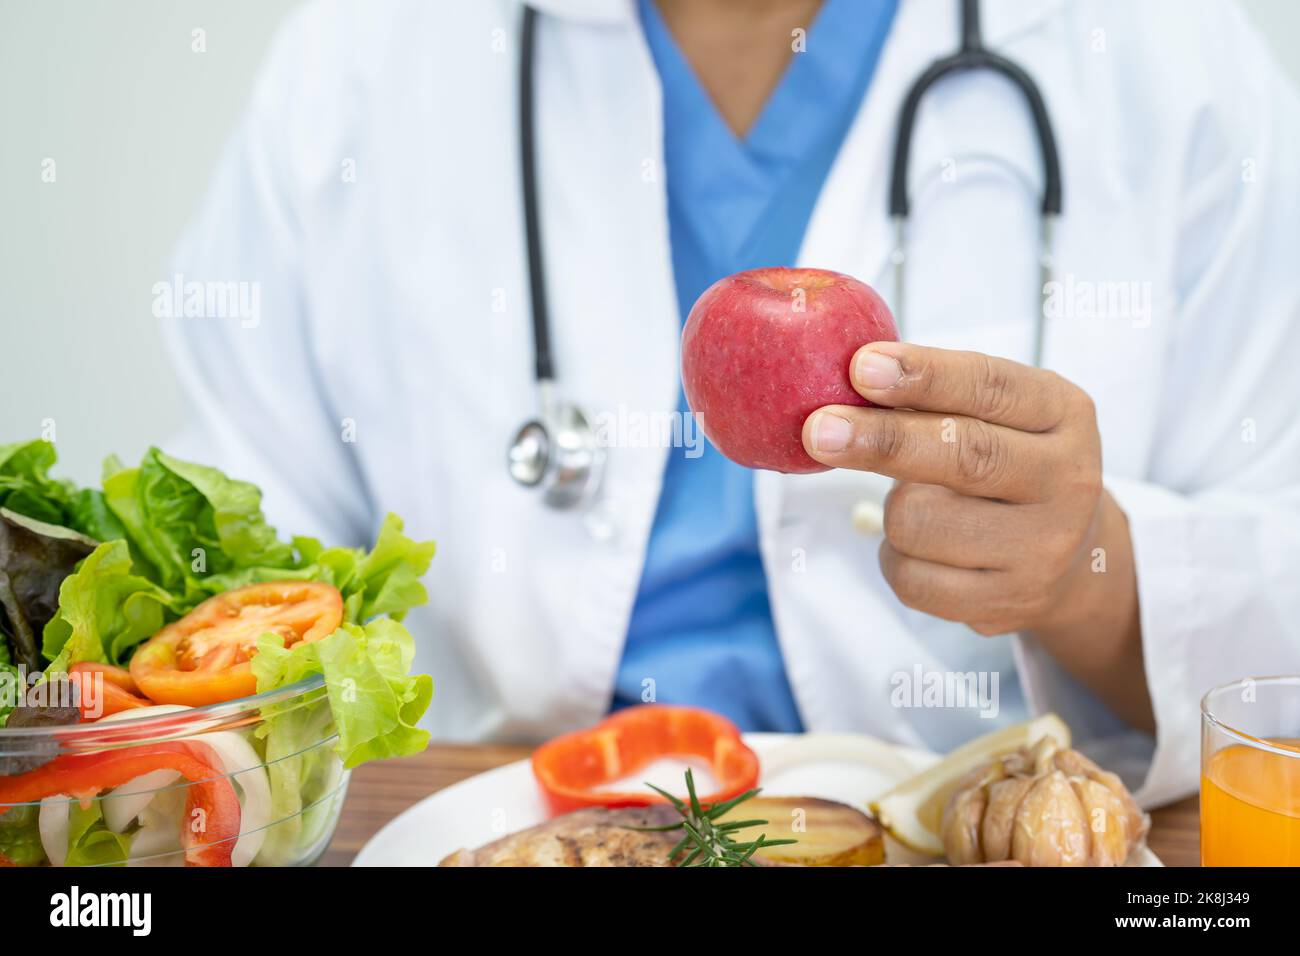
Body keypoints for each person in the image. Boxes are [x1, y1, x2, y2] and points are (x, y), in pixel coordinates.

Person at [164, 0, 1300, 805]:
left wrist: (1086, 567)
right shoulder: (358, 65)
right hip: (522, 815)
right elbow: (233, 578)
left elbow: (1277, 600)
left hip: (976, 821)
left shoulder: (1165, 57)